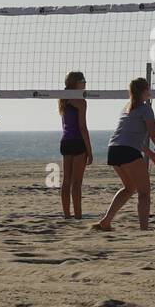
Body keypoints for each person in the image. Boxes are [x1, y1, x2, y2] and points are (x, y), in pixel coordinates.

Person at [93, 78, 155, 231]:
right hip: (127, 150)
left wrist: (151, 154)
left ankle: (105, 221)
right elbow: (154, 135)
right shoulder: (145, 108)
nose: (149, 92)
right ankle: (144, 229)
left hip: (113, 150)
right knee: (144, 192)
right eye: (148, 89)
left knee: (129, 188)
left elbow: (131, 137)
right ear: (144, 91)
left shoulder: (127, 107)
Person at [57, 71, 93, 219]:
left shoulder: (63, 99)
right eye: (83, 81)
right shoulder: (80, 102)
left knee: (66, 181)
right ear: (75, 83)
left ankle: (67, 215)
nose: (85, 83)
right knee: (76, 183)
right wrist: (90, 152)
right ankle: (78, 215)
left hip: (65, 141)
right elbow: (83, 128)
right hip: (78, 142)